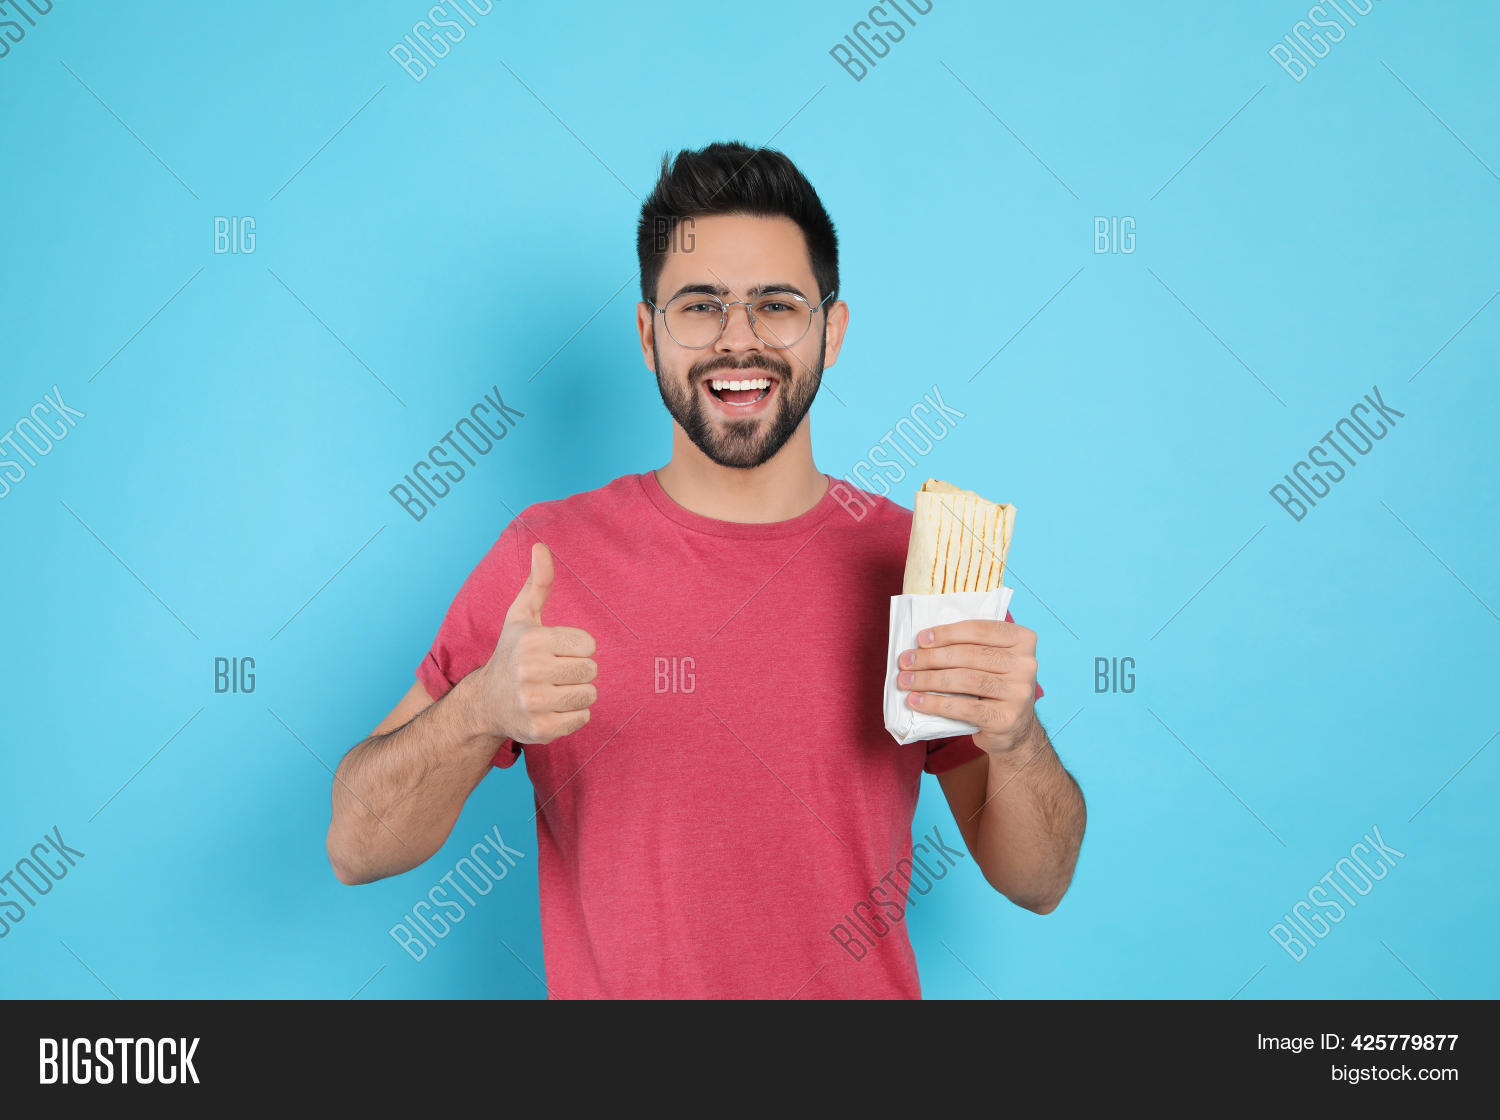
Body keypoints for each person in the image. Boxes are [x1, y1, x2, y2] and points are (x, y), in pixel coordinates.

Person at [326, 141, 1086, 998]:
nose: (739, 340)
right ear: (648, 335)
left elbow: (1040, 881)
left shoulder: (915, 566)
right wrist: (478, 711)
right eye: (700, 307)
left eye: (777, 305)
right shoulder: (546, 558)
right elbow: (356, 846)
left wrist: (1018, 741)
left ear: (832, 331)